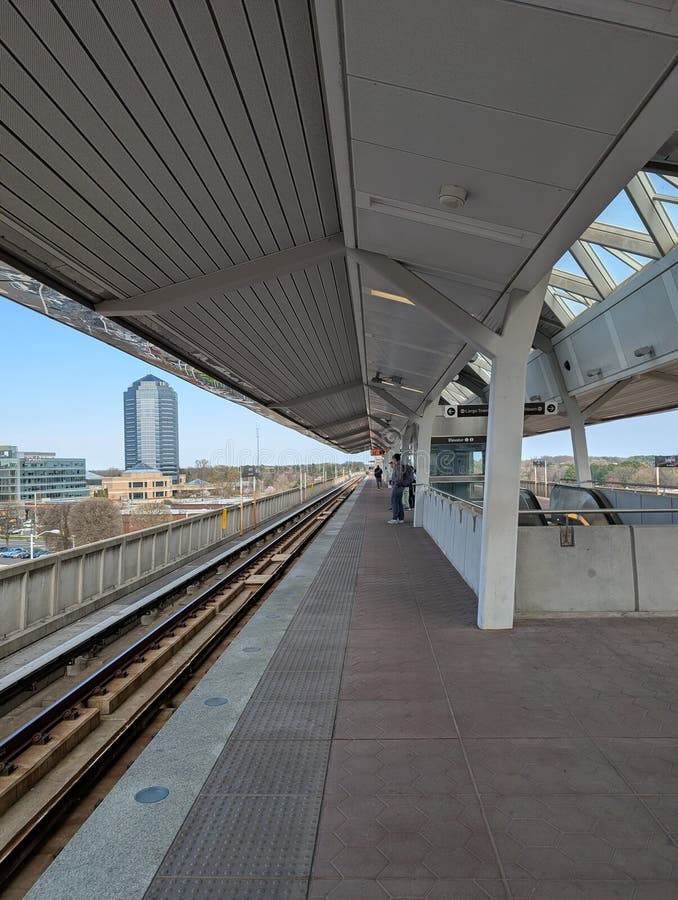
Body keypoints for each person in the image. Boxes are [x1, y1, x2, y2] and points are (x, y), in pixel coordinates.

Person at [387, 453, 405, 524]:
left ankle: (394, 518)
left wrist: (394, 482)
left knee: (394, 501)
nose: (392, 460)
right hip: (400, 486)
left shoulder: (398, 466)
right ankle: (401, 518)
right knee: (399, 502)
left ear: (395, 459)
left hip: (397, 486)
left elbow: (399, 477)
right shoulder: (400, 465)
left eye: (393, 459)